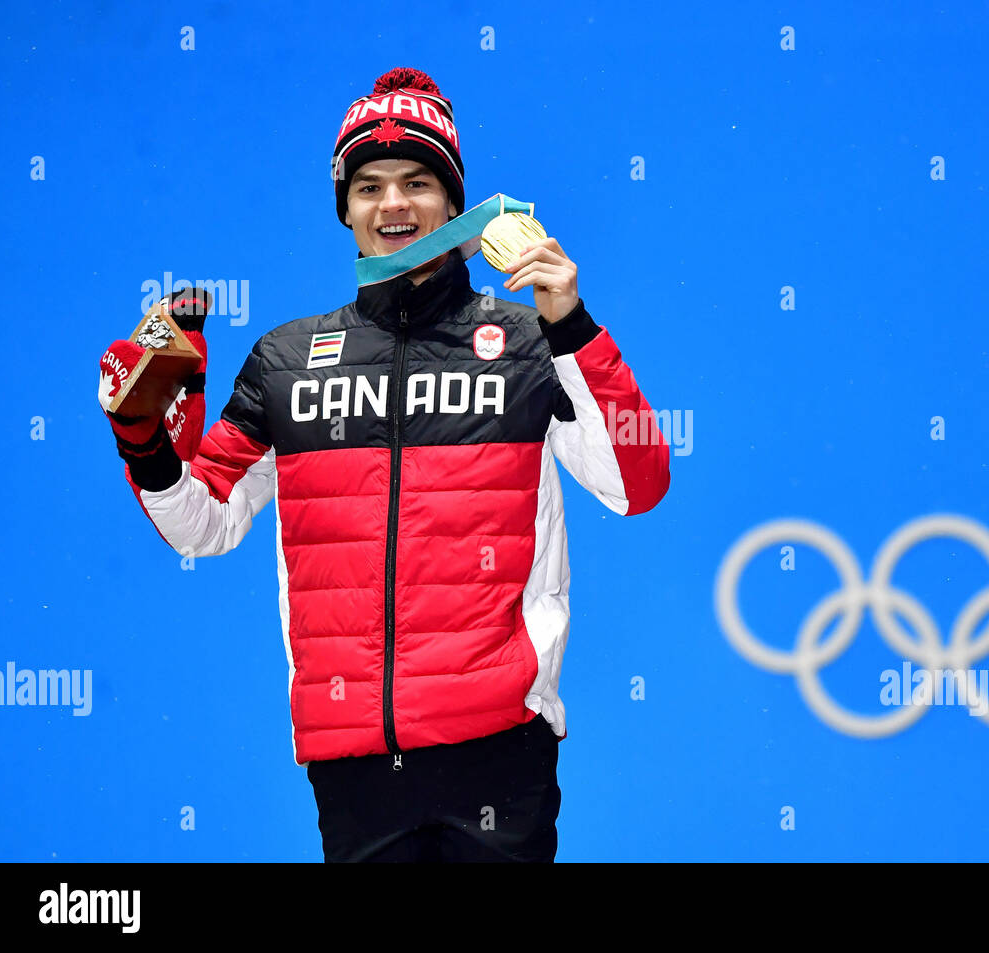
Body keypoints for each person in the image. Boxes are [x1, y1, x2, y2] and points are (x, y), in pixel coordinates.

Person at [96, 66, 671, 862]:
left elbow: (637, 483)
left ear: (454, 203)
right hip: (354, 766)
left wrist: (571, 323)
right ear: (346, 210)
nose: (393, 205)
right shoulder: (285, 361)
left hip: (499, 752)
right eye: (368, 186)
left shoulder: (530, 341)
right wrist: (143, 440)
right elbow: (204, 522)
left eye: (417, 183)